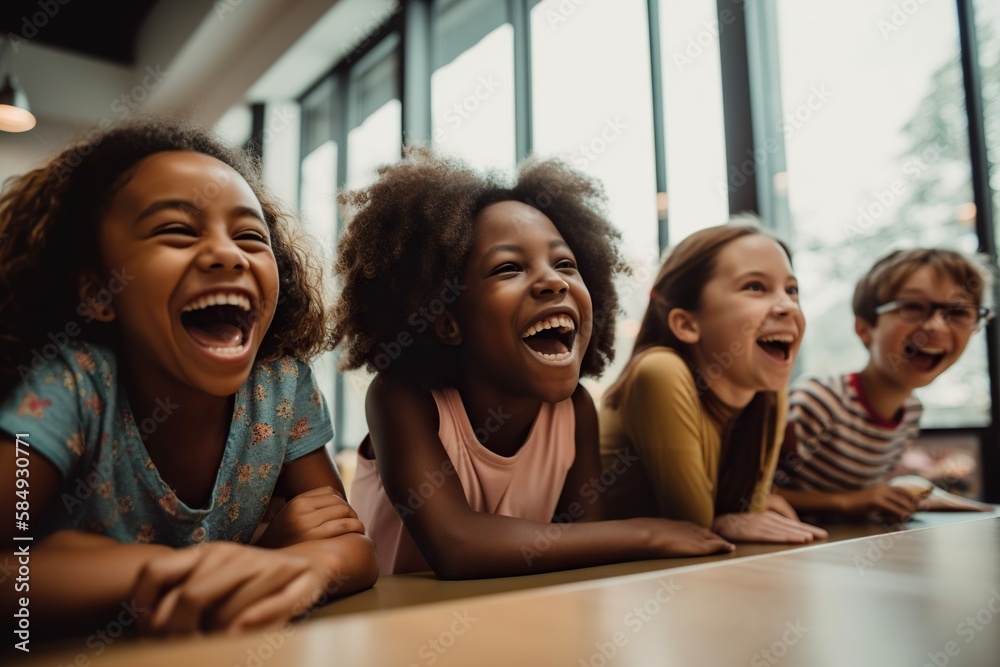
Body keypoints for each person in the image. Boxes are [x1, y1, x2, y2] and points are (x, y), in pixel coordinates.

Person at [0, 120, 378, 637]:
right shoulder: (73, 386)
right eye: (177, 230)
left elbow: (351, 545)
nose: (228, 254)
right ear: (97, 292)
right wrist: (162, 573)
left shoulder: (281, 388)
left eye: (250, 236)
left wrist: (288, 567)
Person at [334, 149, 733, 577]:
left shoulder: (574, 409)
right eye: (508, 268)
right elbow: (457, 546)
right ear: (447, 320)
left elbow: (584, 549)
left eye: (565, 263)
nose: (553, 280)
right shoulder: (402, 398)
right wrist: (645, 534)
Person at [600, 224, 828, 544]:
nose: (787, 306)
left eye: (791, 290)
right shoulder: (660, 370)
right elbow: (694, 527)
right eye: (755, 287)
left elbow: (751, 513)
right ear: (686, 324)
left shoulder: (769, 392)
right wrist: (726, 523)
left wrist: (737, 520)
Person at [774, 248, 994, 521]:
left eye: (958, 311)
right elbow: (752, 495)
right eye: (913, 306)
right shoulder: (820, 400)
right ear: (865, 328)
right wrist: (848, 502)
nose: (935, 326)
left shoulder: (910, 413)